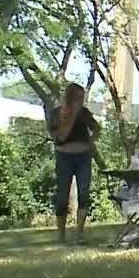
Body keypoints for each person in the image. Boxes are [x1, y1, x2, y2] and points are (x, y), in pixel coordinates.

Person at [48, 83, 101, 244]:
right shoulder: (57, 113)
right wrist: (71, 116)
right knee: (62, 196)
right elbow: (60, 137)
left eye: (82, 97)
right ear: (70, 97)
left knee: (84, 193)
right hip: (64, 157)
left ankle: (79, 235)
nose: (81, 100)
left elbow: (97, 128)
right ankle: (61, 235)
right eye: (78, 97)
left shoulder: (85, 114)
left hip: (83, 157)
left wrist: (90, 142)